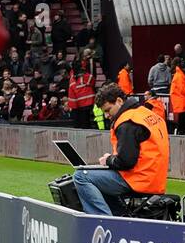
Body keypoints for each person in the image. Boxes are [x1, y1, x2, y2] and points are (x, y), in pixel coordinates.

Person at [72, 85, 170, 215]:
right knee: (100, 179)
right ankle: (120, 216)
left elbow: (126, 162)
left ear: (119, 101)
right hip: (154, 179)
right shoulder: (147, 114)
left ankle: (103, 223)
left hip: (139, 179)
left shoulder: (127, 122)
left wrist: (108, 160)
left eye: (108, 110)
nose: (107, 115)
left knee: (81, 176)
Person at [169, 58, 185, 134]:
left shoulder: (179, 74)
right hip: (182, 102)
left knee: (183, 122)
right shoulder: (179, 76)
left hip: (181, 102)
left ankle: (179, 134)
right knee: (183, 123)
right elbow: (184, 90)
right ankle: (179, 135)